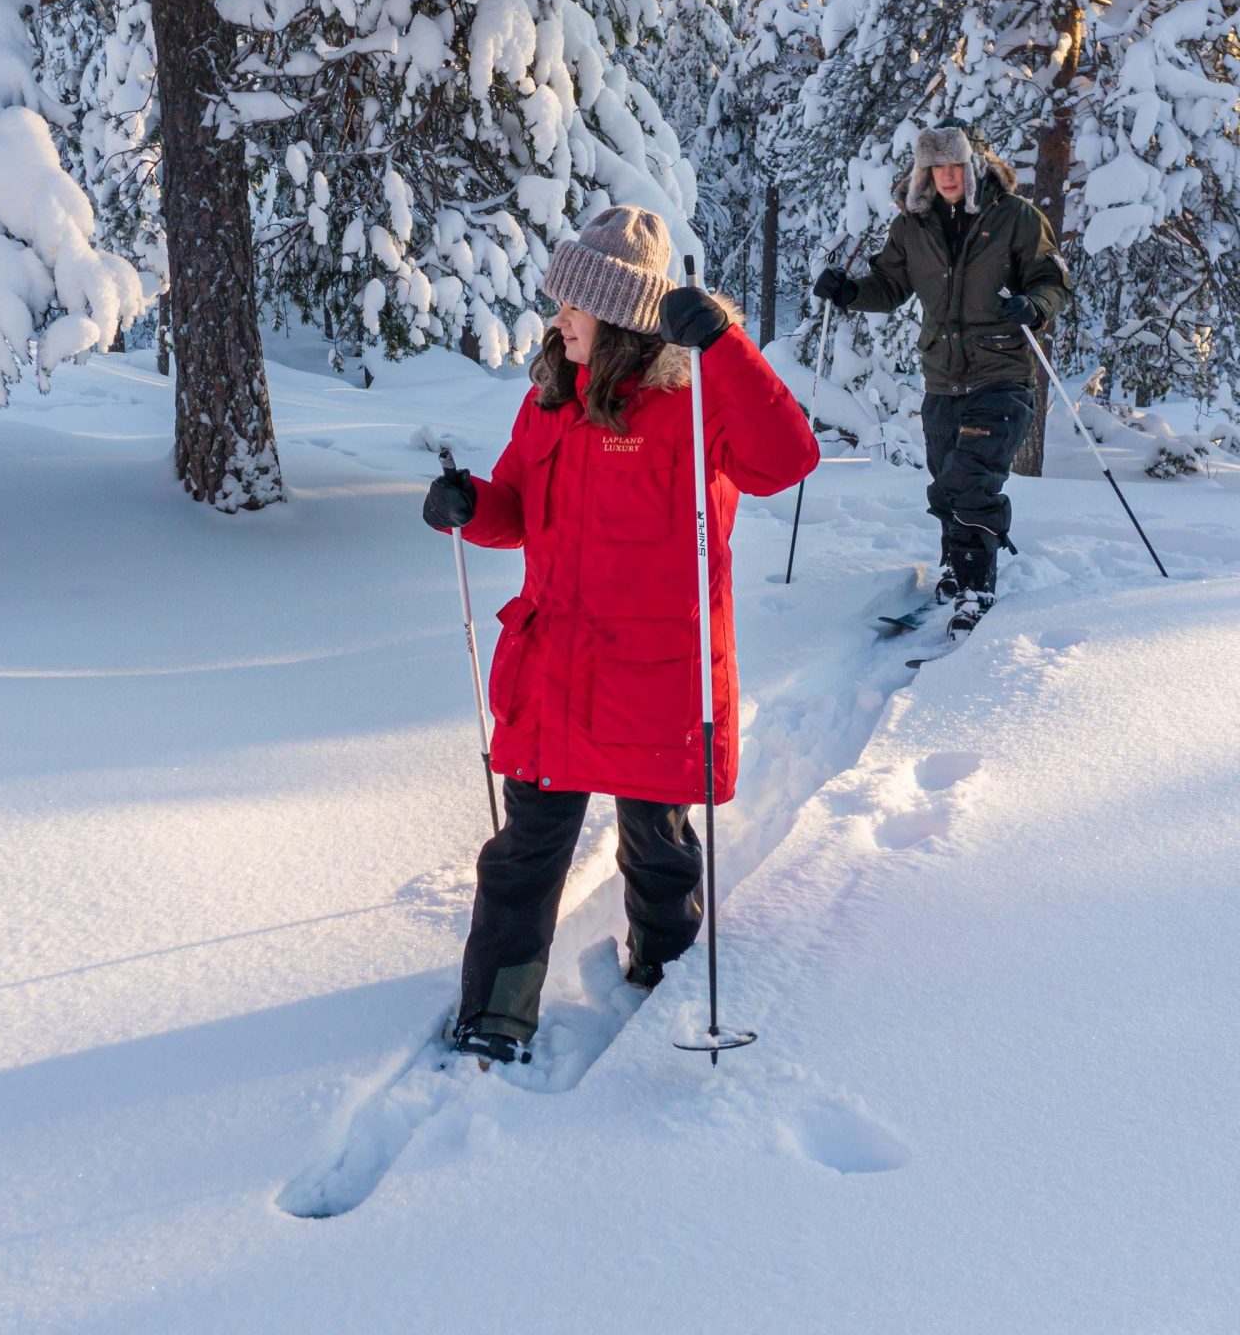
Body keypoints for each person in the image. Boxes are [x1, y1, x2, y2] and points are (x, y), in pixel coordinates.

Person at [421, 206, 819, 1065]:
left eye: (573, 307)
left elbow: (786, 460)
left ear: (623, 317)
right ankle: (497, 1008)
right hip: (554, 666)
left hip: (652, 673)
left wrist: (723, 347)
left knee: (659, 841)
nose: (556, 319)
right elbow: (517, 508)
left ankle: (665, 967)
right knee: (524, 853)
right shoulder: (550, 399)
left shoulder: (696, 397)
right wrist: (469, 507)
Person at [814, 123, 1071, 636]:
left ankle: (978, 586)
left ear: (972, 167)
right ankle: (956, 566)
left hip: (1001, 372)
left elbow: (1051, 280)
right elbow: (888, 287)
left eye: (956, 166)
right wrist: (848, 292)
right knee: (946, 480)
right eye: (937, 168)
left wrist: (1034, 305)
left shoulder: (1016, 218)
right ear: (924, 172)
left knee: (969, 480)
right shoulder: (913, 226)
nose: (948, 176)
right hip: (942, 379)